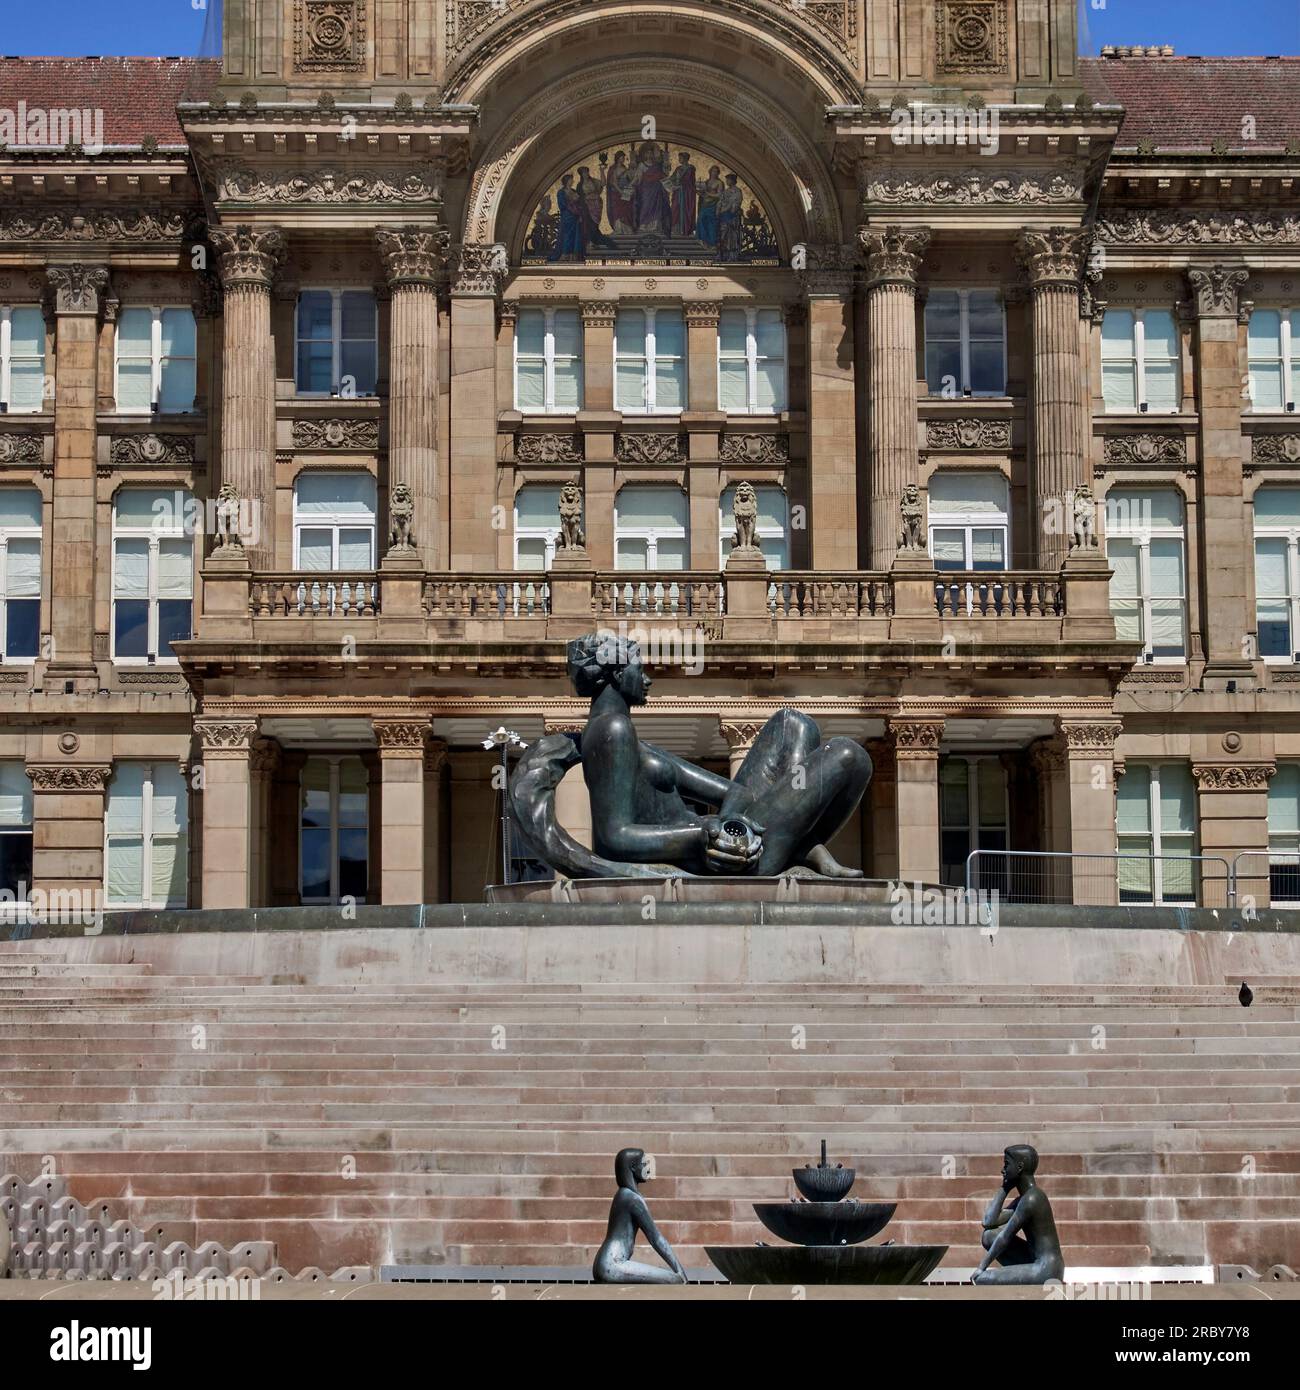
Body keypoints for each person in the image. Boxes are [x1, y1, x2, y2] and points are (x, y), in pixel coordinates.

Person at [573, 633, 868, 877]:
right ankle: (801, 848)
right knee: (848, 755)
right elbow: (614, 837)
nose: (647, 680)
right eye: (640, 669)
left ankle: (800, 846)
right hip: (715, 860)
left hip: (730, 846)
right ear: (618, 673)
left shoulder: (631, 739)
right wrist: (702, 837)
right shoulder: (611, 729)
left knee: (792, 724)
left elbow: (736, 792)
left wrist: (729, 829)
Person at [971, 1145, 1065, 1285]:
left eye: (1007, 1164)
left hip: (1047, 1270)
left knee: (982, 1278)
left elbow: (1005, 1237)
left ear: (1019, 1167)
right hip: (1033, 1260)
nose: (1003, 1170)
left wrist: (981, 1268)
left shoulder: (1032, 1199)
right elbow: (989, 1221)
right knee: (989, 1236)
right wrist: (1005, 1187)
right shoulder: (1023, 1199)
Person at [592, 1148, 687, 1284]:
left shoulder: (624, 1194)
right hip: (612, 1265)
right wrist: (681, 1273)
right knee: (675, 1280)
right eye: (643, 1163)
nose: (646, 1167)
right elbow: (656, 1239)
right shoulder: (631, 1198)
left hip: (607, 1263)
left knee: (674, 1279)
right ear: (632, 1167)